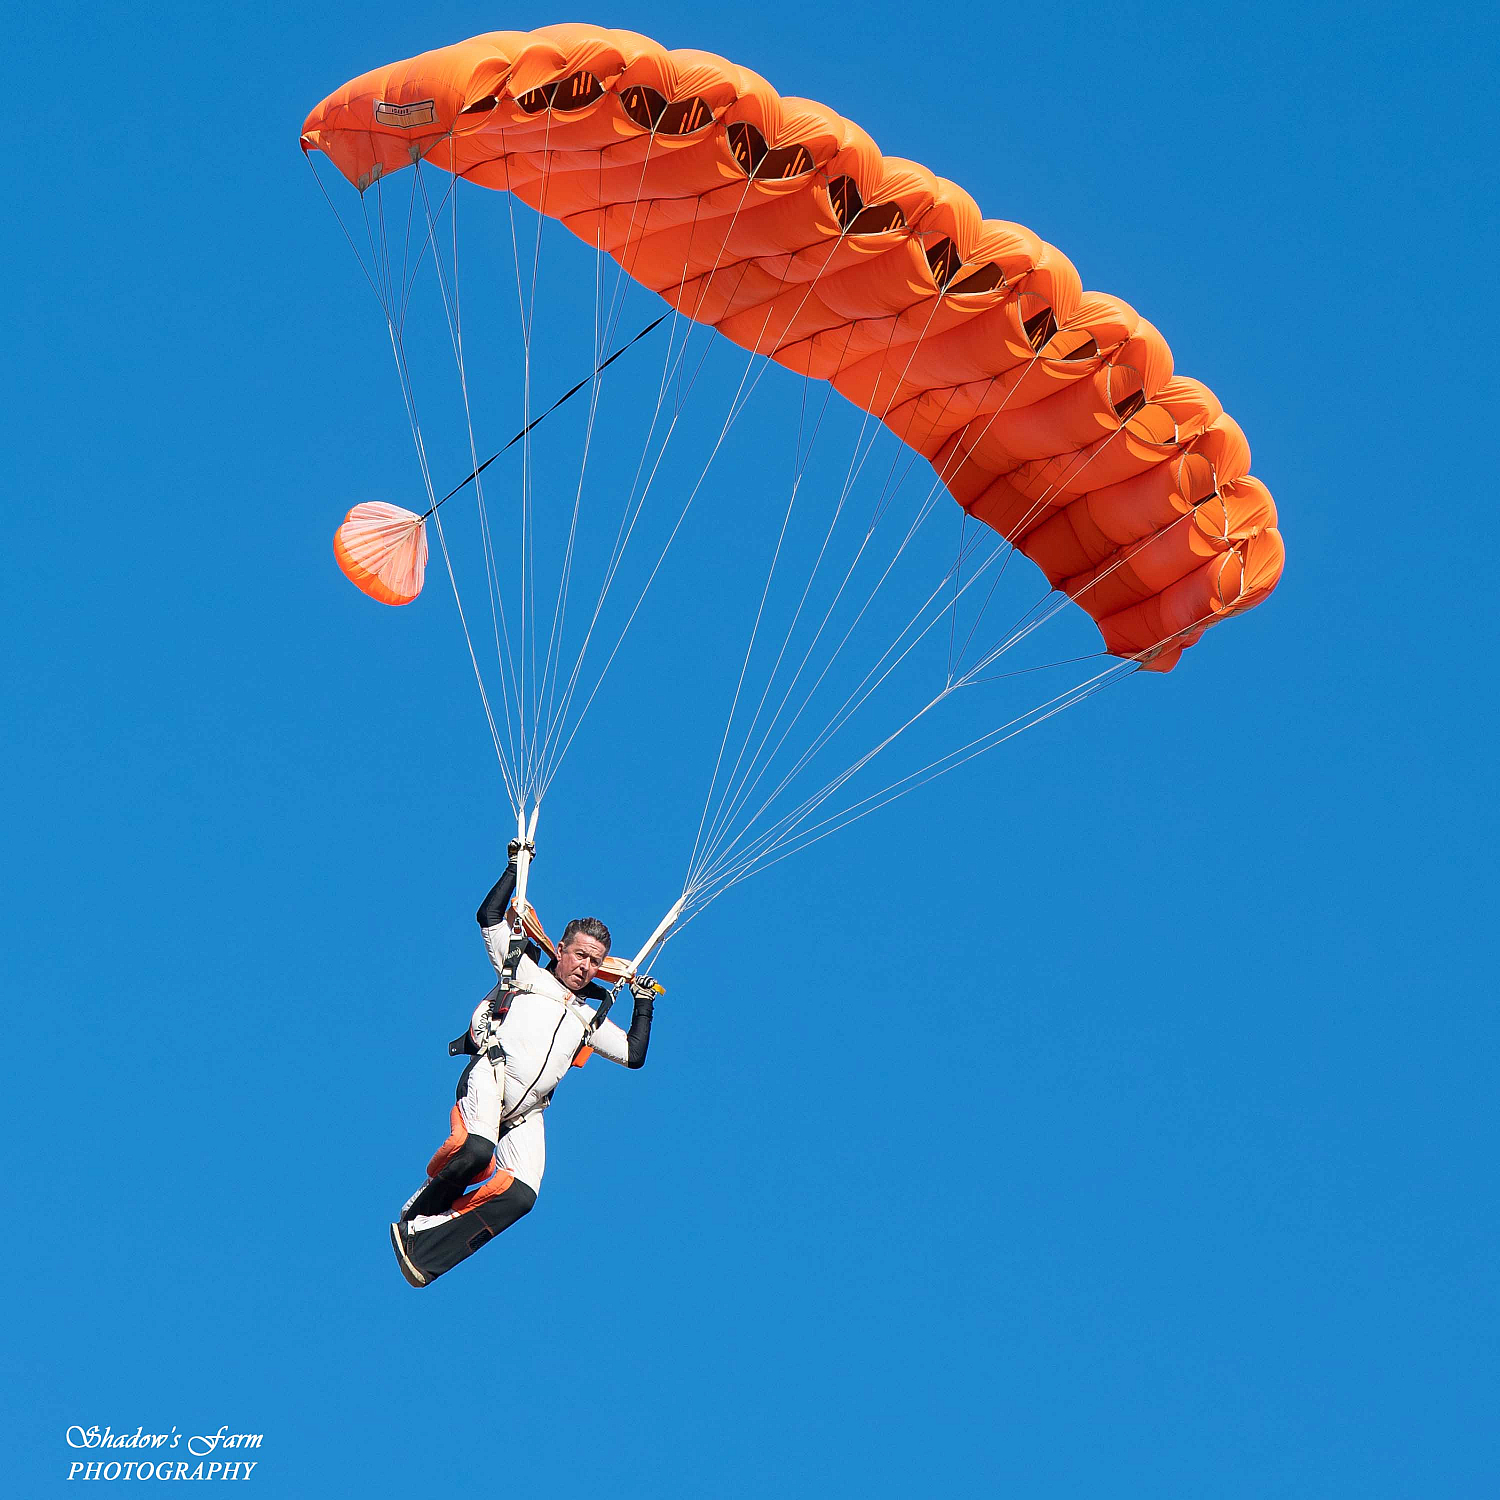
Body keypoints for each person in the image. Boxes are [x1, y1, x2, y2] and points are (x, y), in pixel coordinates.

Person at [389, 843, 657, 1287]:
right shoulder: (525, 971)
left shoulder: (588, 1017)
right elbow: (489, 917)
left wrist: (643, 1005)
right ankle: (419, 1212)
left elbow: (633, 1055)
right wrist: (515, 868)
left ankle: (424, 1248)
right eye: (579, 955)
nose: (585, 967)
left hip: (527, 1111)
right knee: (476, 1151)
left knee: (521, 1196)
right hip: (493, 1076)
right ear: (562, 950)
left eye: (594, 961)